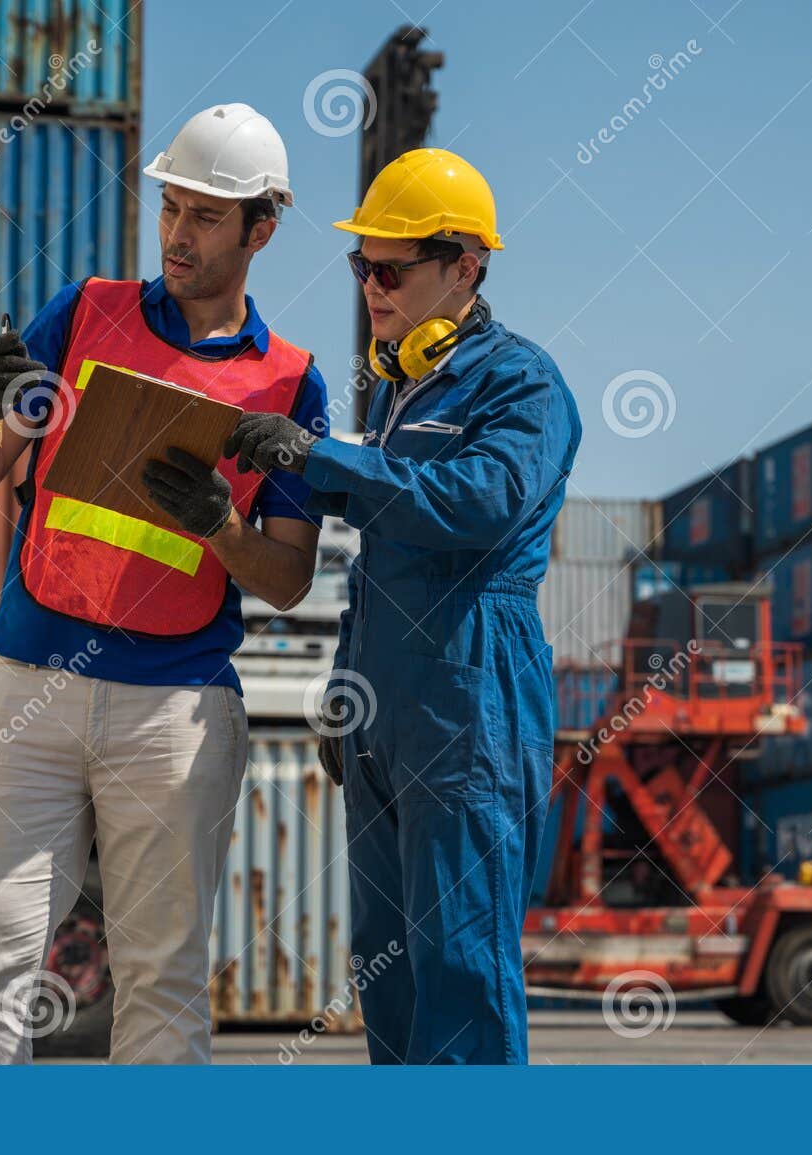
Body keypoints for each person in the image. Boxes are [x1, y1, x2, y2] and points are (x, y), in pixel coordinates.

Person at [0, 104, 327, 1064]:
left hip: (176, 710)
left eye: (204, 216)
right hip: (30, 686)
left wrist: (219, 527)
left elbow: (286, 576)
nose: (178, 235)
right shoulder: (82, 312)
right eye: (171, 208)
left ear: (261, 229)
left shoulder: (291, 383)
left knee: (163, 984)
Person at [225, 148, 581, 1064]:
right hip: (387, 712)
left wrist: (319, 457)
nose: (370, 287)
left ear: (466, 266)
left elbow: (473, 504)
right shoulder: (393, 390)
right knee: (386, 974)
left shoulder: (523, 386)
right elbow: (381, 551)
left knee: (460, 968)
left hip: (471, 703)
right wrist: (348, 696)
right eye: (360, 266)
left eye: (391, 269)